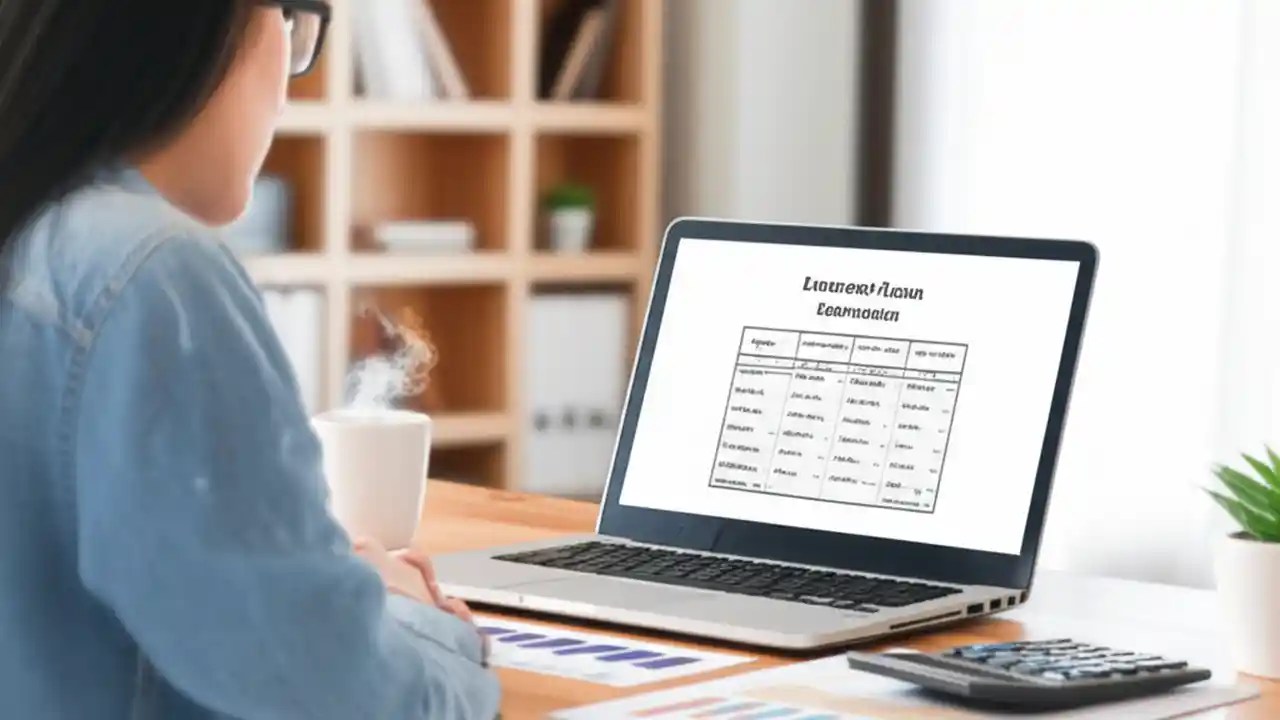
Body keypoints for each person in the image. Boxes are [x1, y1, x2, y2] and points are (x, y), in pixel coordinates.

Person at [0, 1, 500, 718]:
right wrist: (421, 624)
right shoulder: (149, 273)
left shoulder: (35, 240)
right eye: (295, 23)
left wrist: (316, 590)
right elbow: (337, 696)